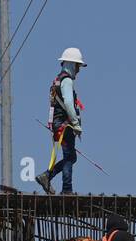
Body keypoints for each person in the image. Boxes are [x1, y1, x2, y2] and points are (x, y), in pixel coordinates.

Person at [36, 48, 86, 195]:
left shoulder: (58, 80)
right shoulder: (67, 81)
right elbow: (69, 104)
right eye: (77, 67)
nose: (78, 71)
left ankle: (47, 176)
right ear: (72, 64)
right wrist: (76, 124)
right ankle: (66, 190)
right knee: (69, 157)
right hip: (65, 126)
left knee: (71, 156)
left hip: (59, 125)